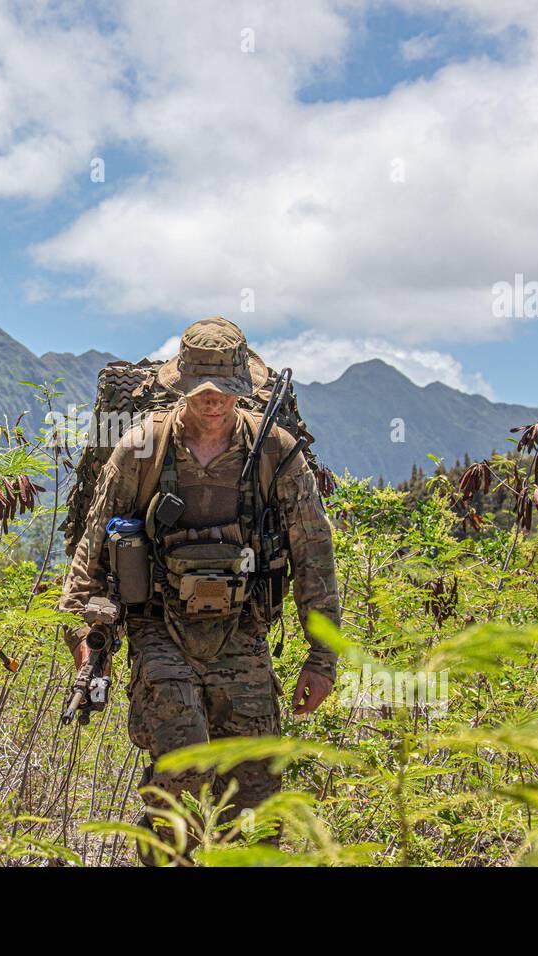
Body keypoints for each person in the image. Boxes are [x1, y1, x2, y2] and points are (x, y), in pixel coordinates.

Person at [59, 317, 340, 862]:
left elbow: (313, 555)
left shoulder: (275, 453)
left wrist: (322, 657)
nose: (213, 401)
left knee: (256, 787)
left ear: (242, 387)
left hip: (242, 630)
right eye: (202, 390)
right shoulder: (142, 449)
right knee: (184, 766)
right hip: (160, 628)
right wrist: (86, 641)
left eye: (225, 390)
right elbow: (91, 550)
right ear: (182, 386)